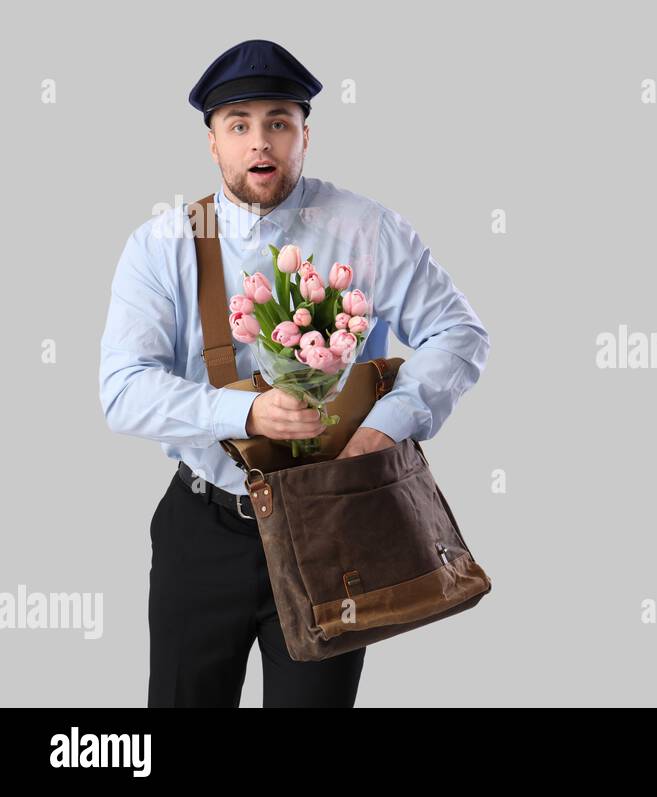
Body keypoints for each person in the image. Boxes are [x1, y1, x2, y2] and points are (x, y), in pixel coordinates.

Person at [98, 39, 491, 707]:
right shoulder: (161, 245)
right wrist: (243, 413)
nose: (261, 142)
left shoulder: (366, 229)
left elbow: (459, 332)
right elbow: (122, 391)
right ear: (213, 143)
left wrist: (386, 427)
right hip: (205, 529)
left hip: (334, 524)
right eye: (239, 124)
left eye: (279, 121)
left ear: (304, 135)